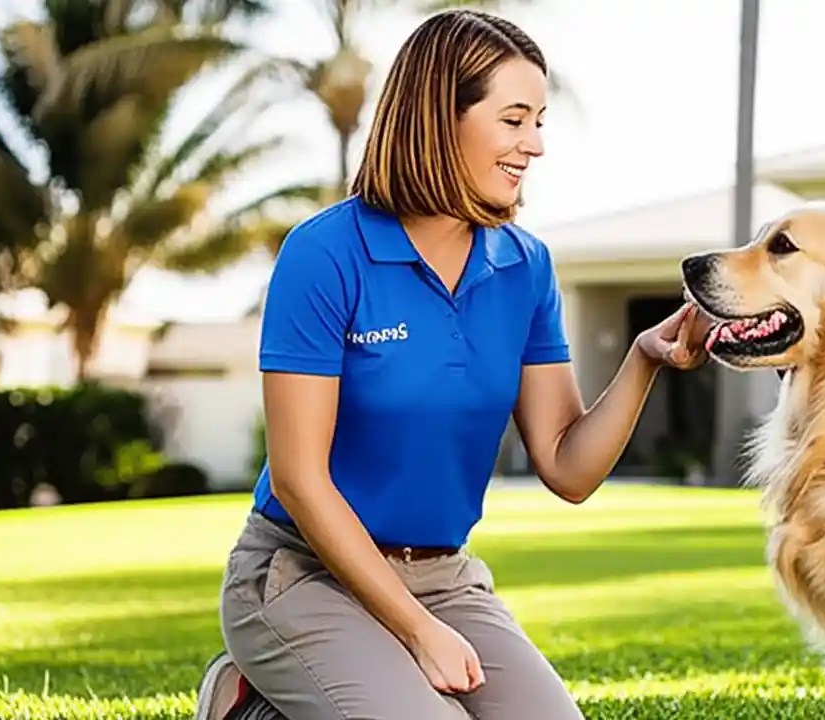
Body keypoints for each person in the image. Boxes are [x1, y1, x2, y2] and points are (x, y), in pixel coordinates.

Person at [191, 9, 710, 720]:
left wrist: (642, 360)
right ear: (442, 118)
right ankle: (251, 703)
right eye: (514, 120)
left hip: (444, 577)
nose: (534, 145)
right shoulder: (326, 254)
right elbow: (299, 481)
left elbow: (567, 467)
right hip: (300, 572)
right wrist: (415, 632)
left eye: (540, 122)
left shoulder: (524, 266)